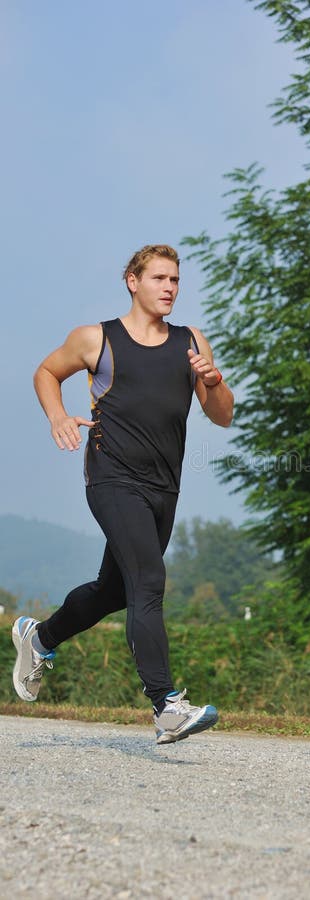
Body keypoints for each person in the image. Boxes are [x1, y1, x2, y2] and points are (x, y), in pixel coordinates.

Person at [12, 244, 234, 745]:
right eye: (159, 278)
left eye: (175, 279)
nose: (170, 288)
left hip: (164, 488)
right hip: (111, 480)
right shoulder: (97, 338)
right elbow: (46, 372)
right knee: (149, 580)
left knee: (116, 589)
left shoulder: (191, 342)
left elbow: (222, 414)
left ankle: (39, 637)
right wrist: (58, 417)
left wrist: (214, 383)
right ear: (132, 281)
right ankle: (166, 706)